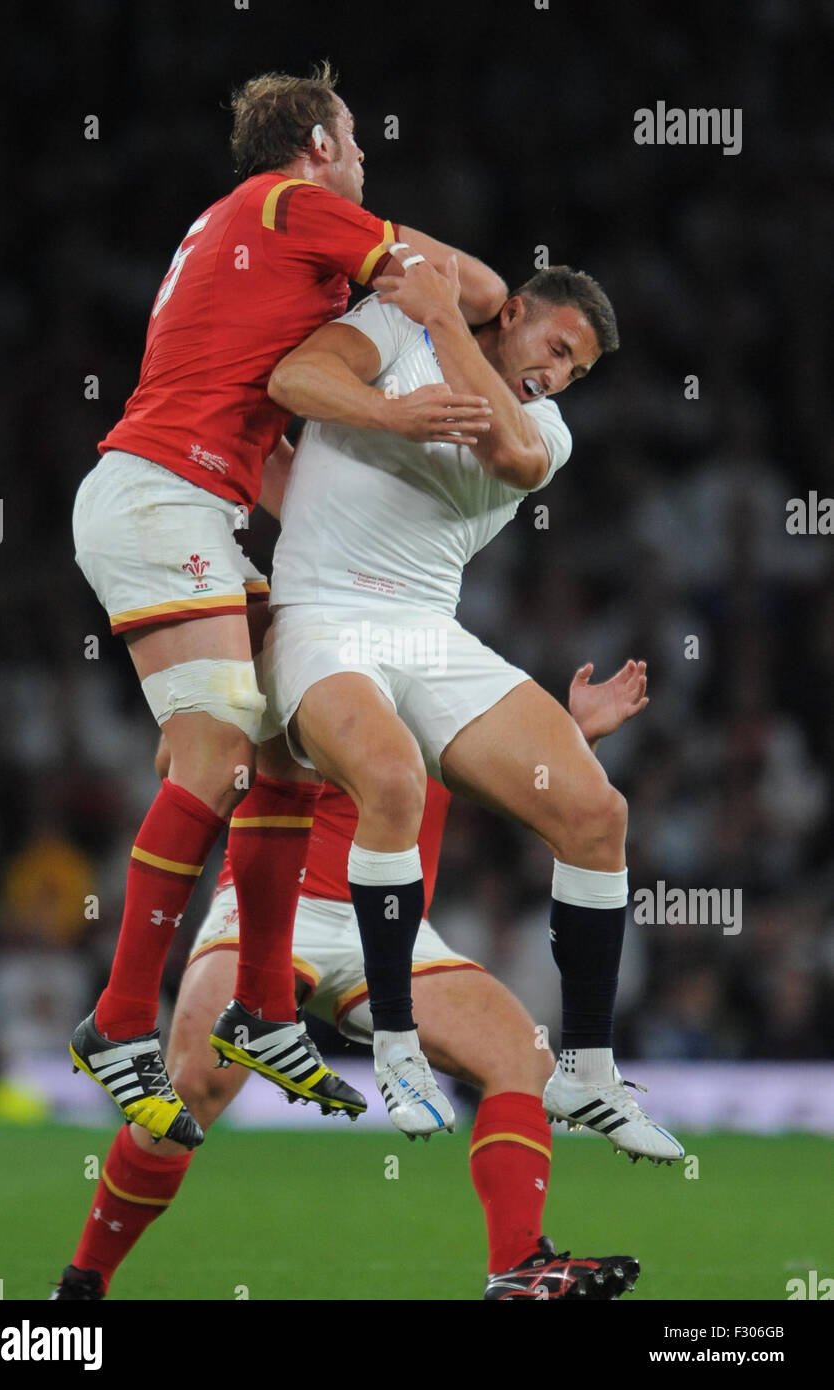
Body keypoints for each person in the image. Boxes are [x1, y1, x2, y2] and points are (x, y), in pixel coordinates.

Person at [69, 64, 506, 1149]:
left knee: (286, 750)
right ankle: (118, 1020)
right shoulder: (299, 204)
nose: (364, 159)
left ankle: (266, 1004)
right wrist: (414, 374)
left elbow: (266, 437)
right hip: (157, 500)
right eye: (353, 139)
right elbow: (481, 293)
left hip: (186, 507)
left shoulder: (245, 234)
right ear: (315, 141)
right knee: (211, 759)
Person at [253, 256, 685, 1159]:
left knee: (594, 811)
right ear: (515, 310)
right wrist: (390, 406)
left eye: (577, 371)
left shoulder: (542, 425)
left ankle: (590, 1068)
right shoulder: (391, 335)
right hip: (322, 615)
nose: (559, 376)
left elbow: (517, 459)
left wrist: (447, 320)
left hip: (424, 629)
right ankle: (399, 1046)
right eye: (557, 346)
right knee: (389, 776)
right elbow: (292, 376)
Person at [51, 658, 648, 1302]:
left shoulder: (430, 661)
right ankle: (83, 1287)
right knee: (193, 1086)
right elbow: (178, 760)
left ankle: (519, 1267)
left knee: (520, 1055)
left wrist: (567, 740)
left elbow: (494, 775)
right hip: (276, 905)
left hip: (390, 930)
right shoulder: (284, 643)